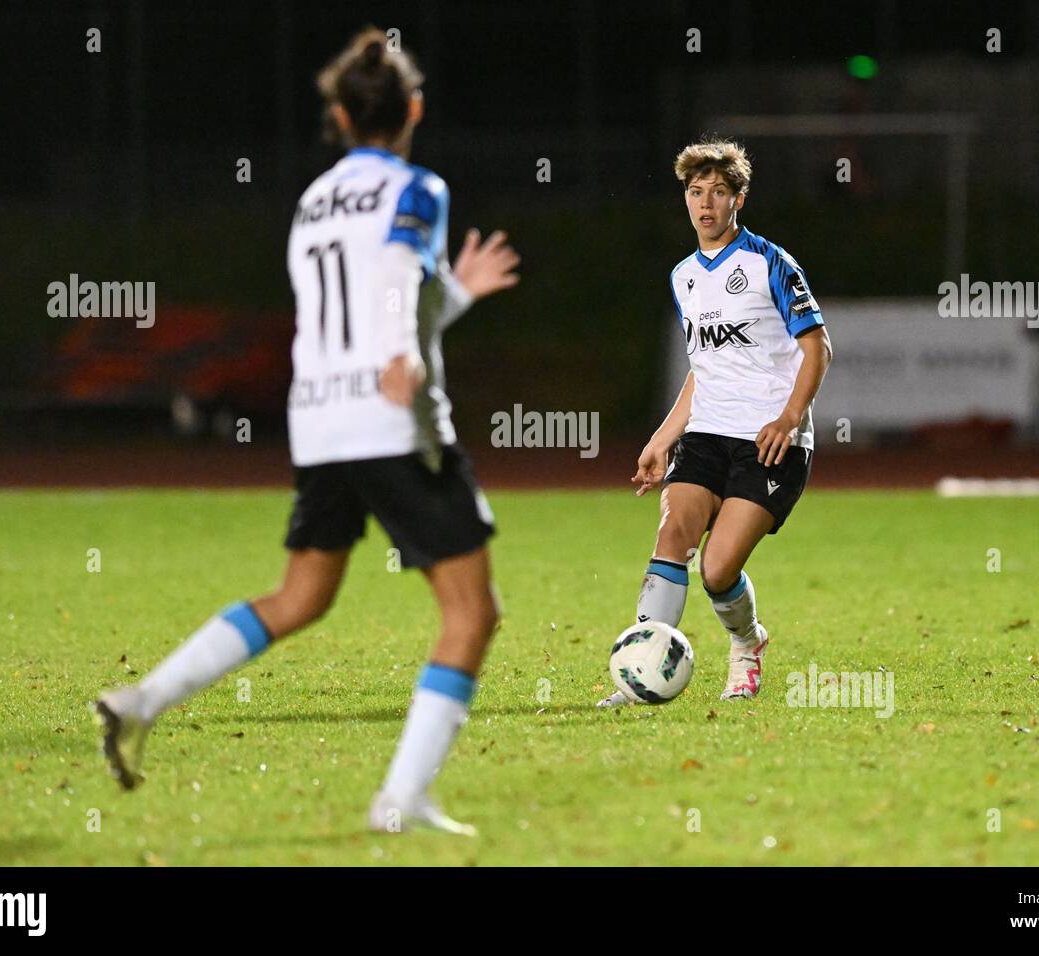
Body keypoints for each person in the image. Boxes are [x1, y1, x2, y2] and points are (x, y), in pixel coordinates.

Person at [96, 27, 520, 836]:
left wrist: (452, 296)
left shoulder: (312, 202)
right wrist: (406, 350)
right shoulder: (417, 187)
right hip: (388, 419)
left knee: (301, 596)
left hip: (320, 420)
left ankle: (142, 699)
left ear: (338, 116)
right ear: (414, 109)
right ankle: (403, 800)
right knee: (472, 612)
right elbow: (396, 282)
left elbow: (361, 306)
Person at [598, 138, 832, 707]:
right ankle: (638, 681)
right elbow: (705, 368)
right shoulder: (683, 277)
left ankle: (747, 644)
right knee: (673, 534)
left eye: (718, 193)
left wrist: (790, 416)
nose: (705, 204)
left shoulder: (769, 263)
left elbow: (818, 346)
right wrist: (662, 437)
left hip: (769, 442)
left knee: (719, 567)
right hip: (705, 436)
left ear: (739, 199)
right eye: (695, 192)